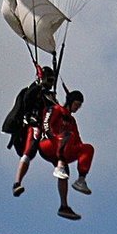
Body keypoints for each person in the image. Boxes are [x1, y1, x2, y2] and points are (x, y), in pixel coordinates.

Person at [38, 89, 94, 220]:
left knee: (88, 148)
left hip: (64, 148)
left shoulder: (72, 120)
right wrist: (52, 136)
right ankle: (60, 165)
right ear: (70, 101)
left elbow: (78, 140)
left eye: (79, 106)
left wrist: (81, 152)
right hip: (48, 144)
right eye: (77, 104)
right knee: (68, 135)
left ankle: (78, 184)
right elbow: (46, 123)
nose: (78, 108)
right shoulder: (56, 109)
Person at [7, 66, 56, 196]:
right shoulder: (33, 91)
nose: (51, 83)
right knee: (30, 150)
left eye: (52, 80)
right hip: (32, 126)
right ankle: (17, 183)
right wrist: (38, 84)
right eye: (49, 80)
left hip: (45, 129)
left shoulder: (49, 97)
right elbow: (27, 99)